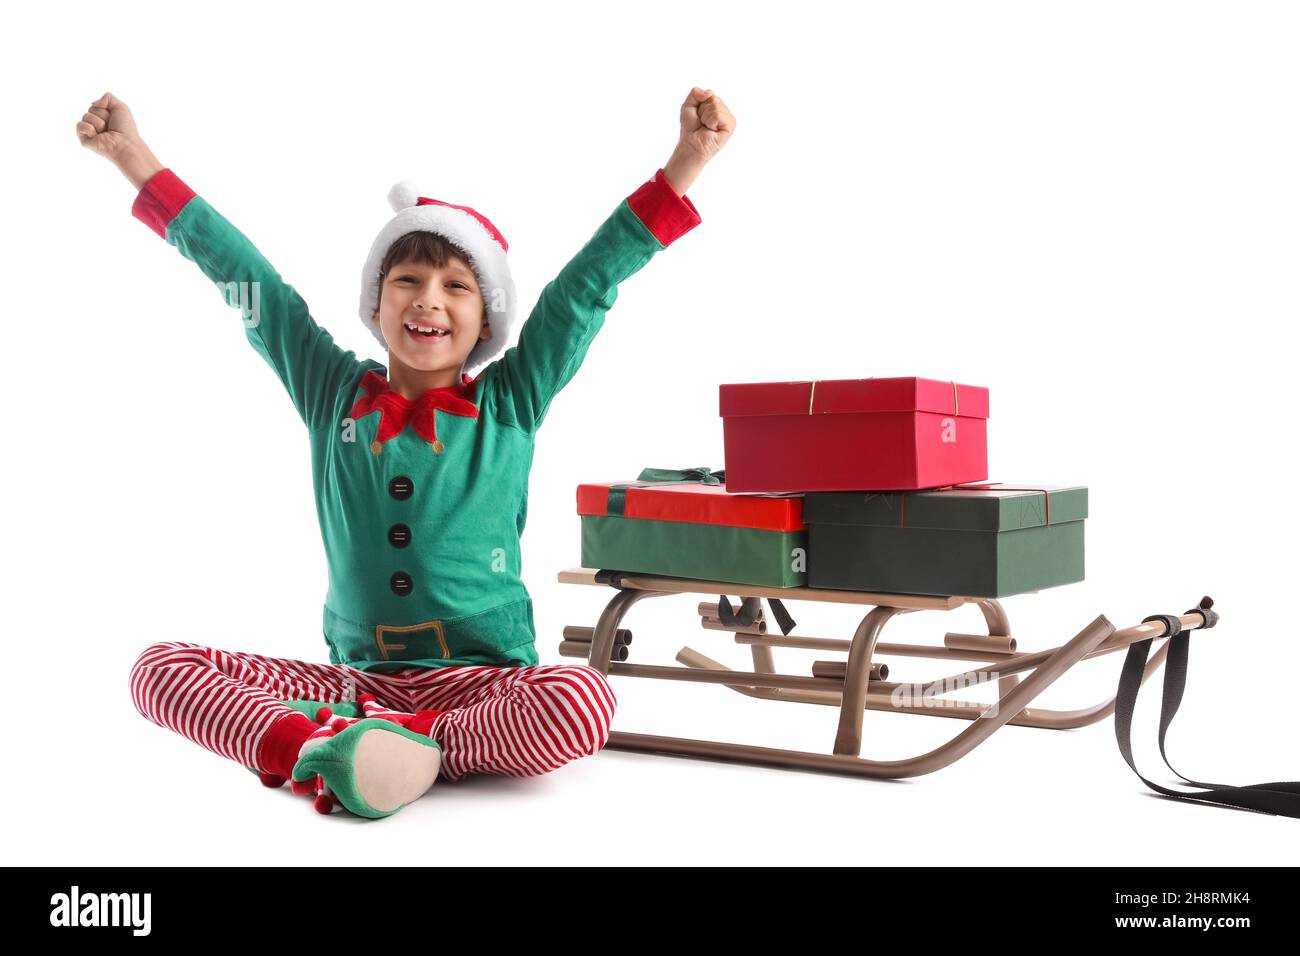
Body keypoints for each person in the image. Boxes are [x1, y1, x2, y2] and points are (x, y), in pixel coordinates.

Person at [76, 88, 736, 819]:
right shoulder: (331, 391)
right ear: (377, 303)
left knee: (582, 701)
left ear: (486, 318)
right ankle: (304, 740)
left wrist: (683, 165)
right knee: (159, 670)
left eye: (456, 286)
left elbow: (586, 288)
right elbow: (252, 286)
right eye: (407, 282)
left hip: (485, 686)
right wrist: (135, 161)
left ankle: (417, 743)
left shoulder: (509, 401)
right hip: (353, 685)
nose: (429, 300)